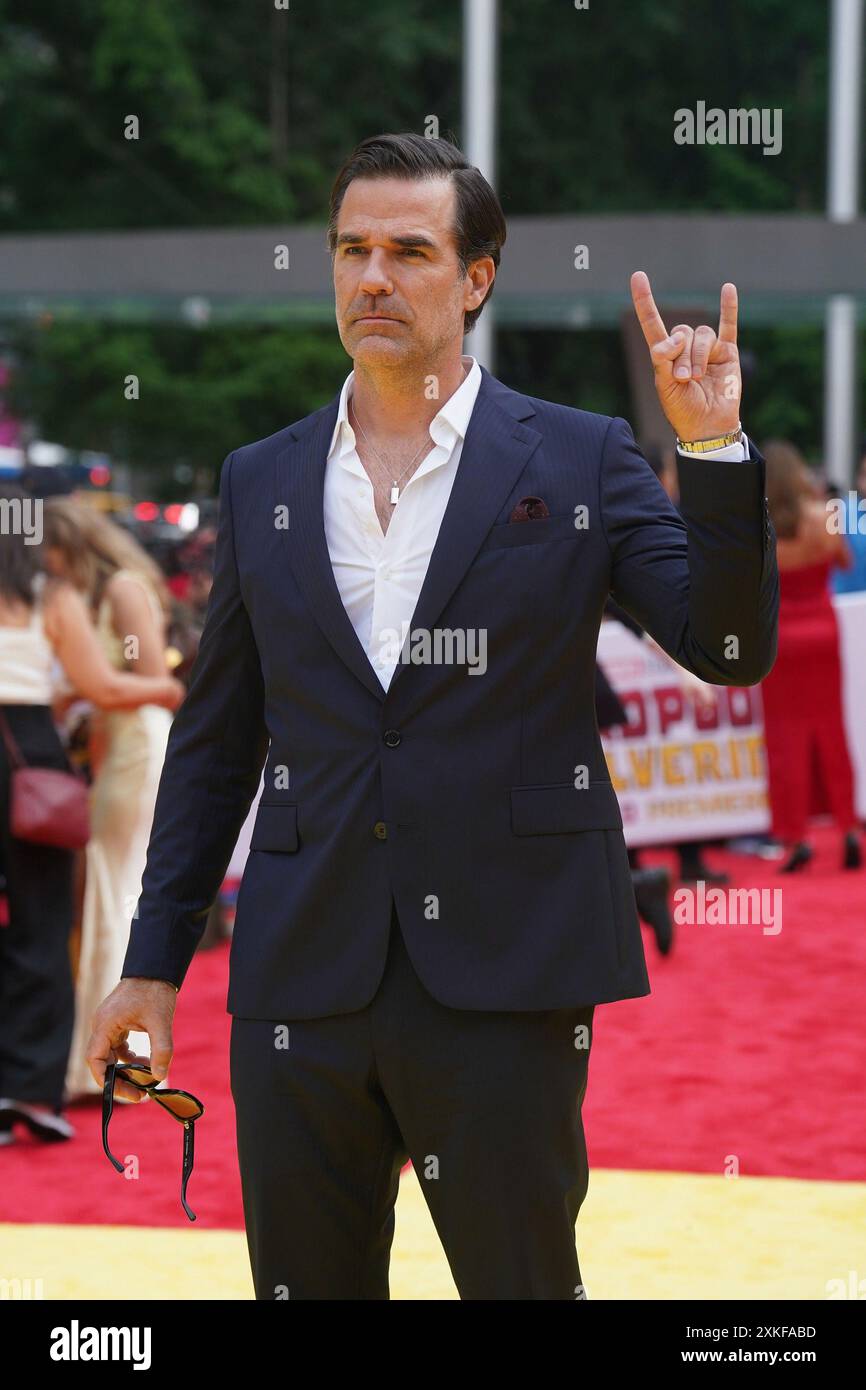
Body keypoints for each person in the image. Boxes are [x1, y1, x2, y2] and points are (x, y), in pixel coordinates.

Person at [86, 133, 778, 1299]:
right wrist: (151, 961)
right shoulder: (261, 476)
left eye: (408, 250)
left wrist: (706, 445)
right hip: (301, 972)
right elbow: (216, 741)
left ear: (476, 278)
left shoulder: (578, 455)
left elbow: (725, 648)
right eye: (351, 249)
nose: (370, 277)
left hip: (507, 972)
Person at [0, 482, 182, 1144]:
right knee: (50, 918)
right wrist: (167, 686)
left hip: (101, 748)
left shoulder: (98, 591)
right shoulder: (56, 598)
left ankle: (79, 1066)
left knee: (88, 895)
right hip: (42, 752)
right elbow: (107, 684)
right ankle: (43, 1081)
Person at [759, 441, 861, 873]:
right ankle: (848, 828)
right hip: (822, 630)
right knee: (831, 731)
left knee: (785, 740)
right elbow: (843, 560)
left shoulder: (756, 528)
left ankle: (796, 836)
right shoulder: (824, 518)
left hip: (781, 637)